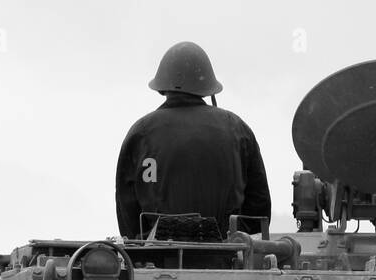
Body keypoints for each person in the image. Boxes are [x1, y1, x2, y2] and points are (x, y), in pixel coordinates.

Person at [115, 41, 272, 240]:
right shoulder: (237, 129)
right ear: (208, 87)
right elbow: (259, 207)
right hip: (227, 257)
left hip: (157, 259)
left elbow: (127, 207)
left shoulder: (141, 133)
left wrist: (144, 244)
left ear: (162, 86)